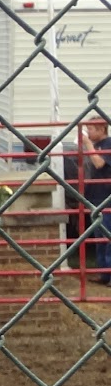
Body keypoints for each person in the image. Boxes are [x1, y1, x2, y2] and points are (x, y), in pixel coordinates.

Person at [66, 114, 111, 284]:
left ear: (101, 129)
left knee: (107, 238)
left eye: (90, 129)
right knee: (99, 238)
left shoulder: (108, 144)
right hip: (96, 198)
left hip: (107, 198)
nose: (88, 132)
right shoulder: (96, 145)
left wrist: (87, 143)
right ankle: (103, 274)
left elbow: (100, 163)